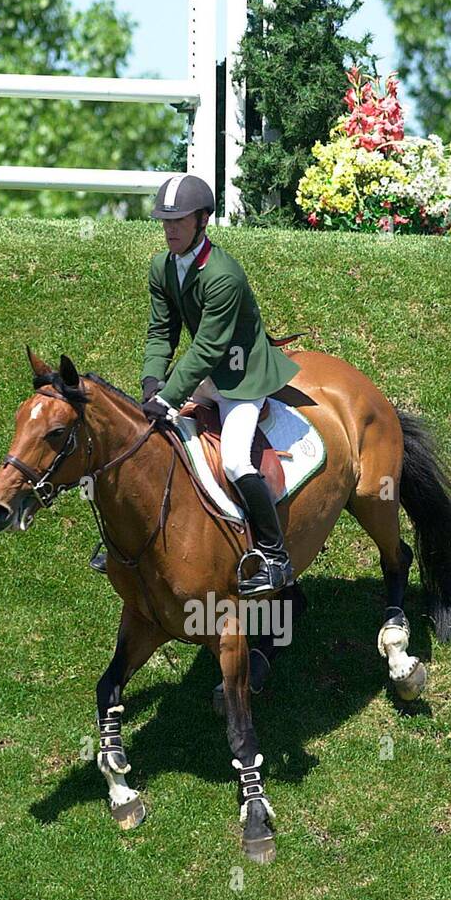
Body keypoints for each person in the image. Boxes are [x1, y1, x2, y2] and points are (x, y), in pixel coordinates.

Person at [90, 173, 301, 595]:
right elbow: (160, 331)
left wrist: (170, 396)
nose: (169, 230)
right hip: (205, 376)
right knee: (153, 438)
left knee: (237, 462)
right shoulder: (161, 266)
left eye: (179, 221)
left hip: (241, 380)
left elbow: (207, 346)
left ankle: (276, 558)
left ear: (203, 220)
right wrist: (152, 381)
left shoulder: (223, 275)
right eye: (165, 222)